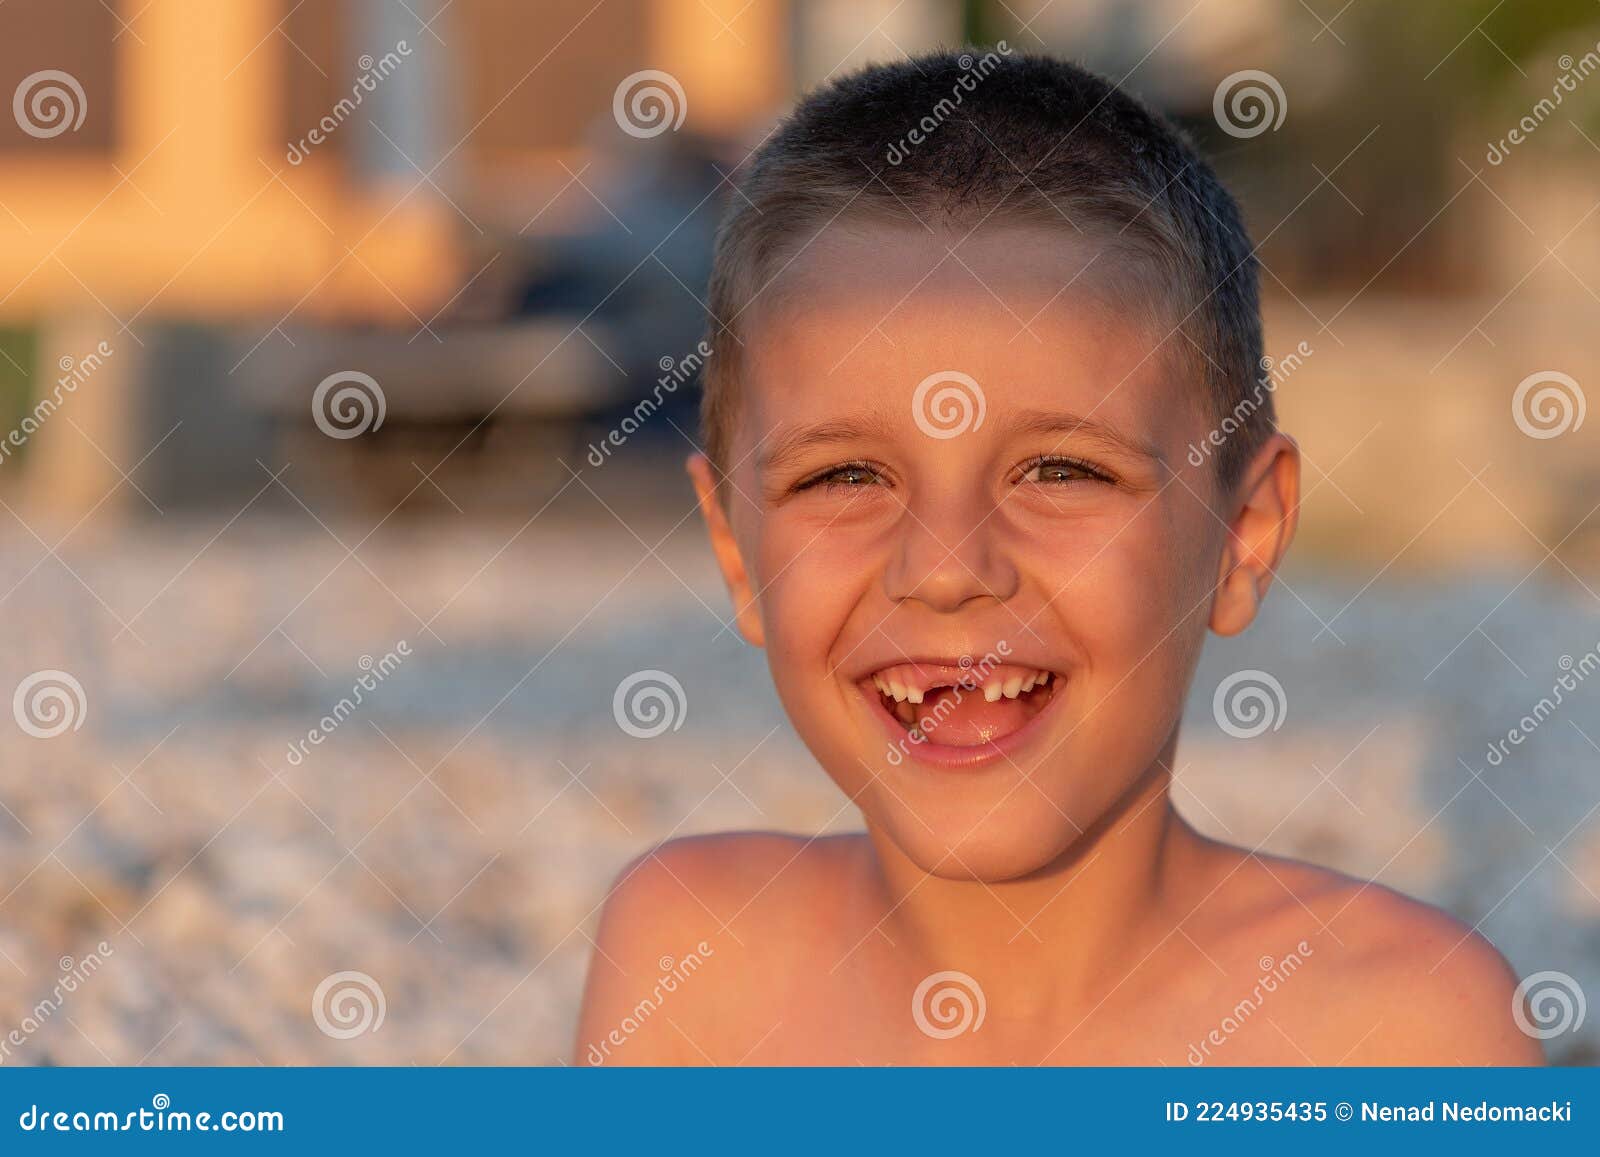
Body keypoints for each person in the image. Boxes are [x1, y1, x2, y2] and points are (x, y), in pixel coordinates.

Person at [575, 49, 1541, 1066]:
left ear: (1242, 529)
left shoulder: (1397, 1031)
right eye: (845, 477)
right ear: (735, 547)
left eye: (1060, 470)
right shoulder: (691, 962)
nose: (945, 567)